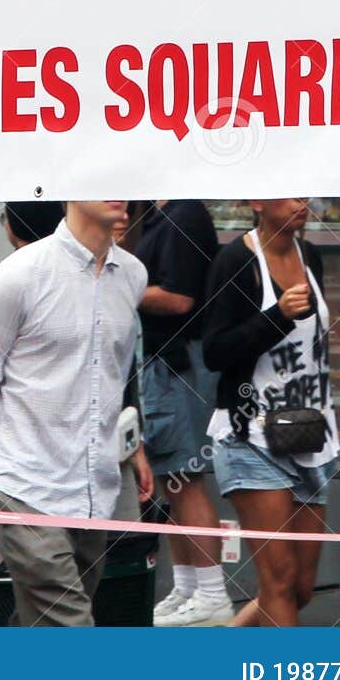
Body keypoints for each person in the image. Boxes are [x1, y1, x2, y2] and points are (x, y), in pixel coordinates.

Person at [0, 200, 154, 627]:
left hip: (93, 486)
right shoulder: (19, 276)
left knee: (42, 622)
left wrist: (134, 448)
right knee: (71, 623)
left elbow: (114, 374)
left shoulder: (133, 275)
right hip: (24, 482)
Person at [201, 197, 338, 628]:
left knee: (299, 588)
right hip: (251, 436)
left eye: (306, 193)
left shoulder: (309, 254)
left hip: (310, 433)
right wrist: (276, 316)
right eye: (290, 192)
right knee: (277, 582)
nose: (303, 202)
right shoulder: (236, 261)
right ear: (257, 201)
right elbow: (215, 351)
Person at [133, 199, 229, 626]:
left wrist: (119, 284)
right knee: (173, 481)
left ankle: (212, 593)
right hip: (164, 362)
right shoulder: (157, 217)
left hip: (180, 365)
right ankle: (187, 587)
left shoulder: (184, 214)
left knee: (185, 479)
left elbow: (178, 299)